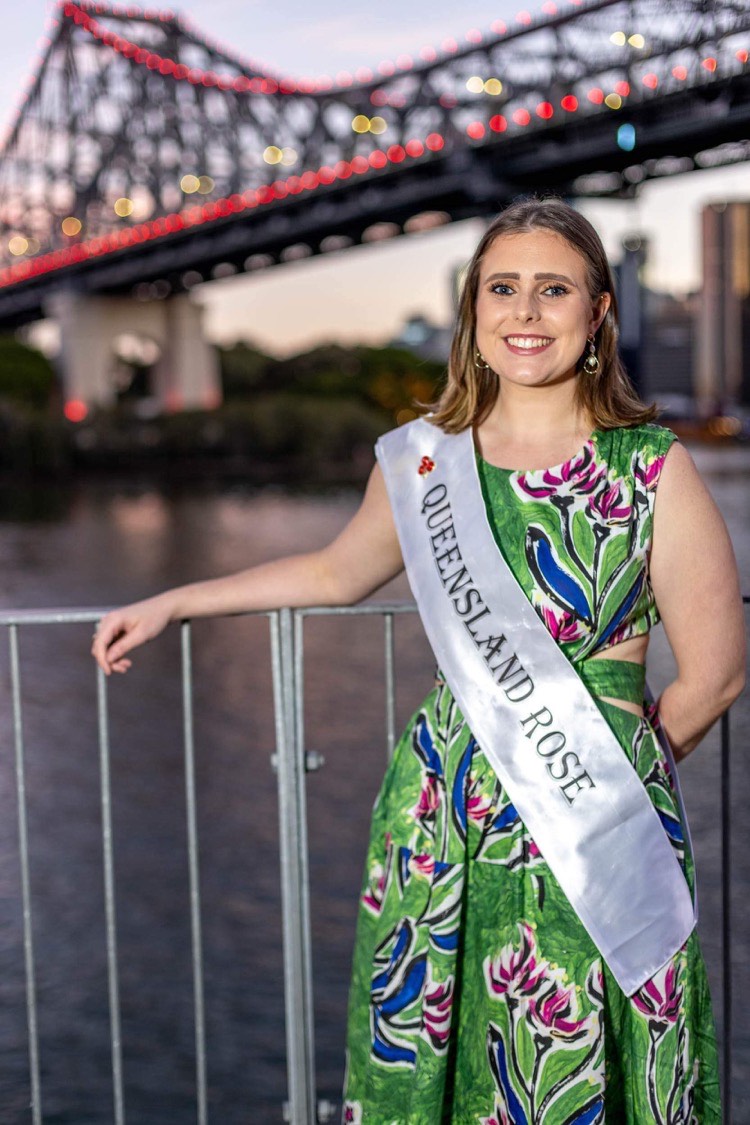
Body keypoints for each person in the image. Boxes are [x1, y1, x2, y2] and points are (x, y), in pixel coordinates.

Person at [92, 197, 745, 1123]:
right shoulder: (425, 460)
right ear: (473, 316)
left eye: (552, 290)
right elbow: (333, 569)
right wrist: (174, 598)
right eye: (501, 290)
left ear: (598, 315)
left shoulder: (649, 465)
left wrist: (615, 783)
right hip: (441, 816)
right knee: (437, 1051)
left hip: (600, 824)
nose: (525, 312)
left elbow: (715, 672)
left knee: (570, 1052)